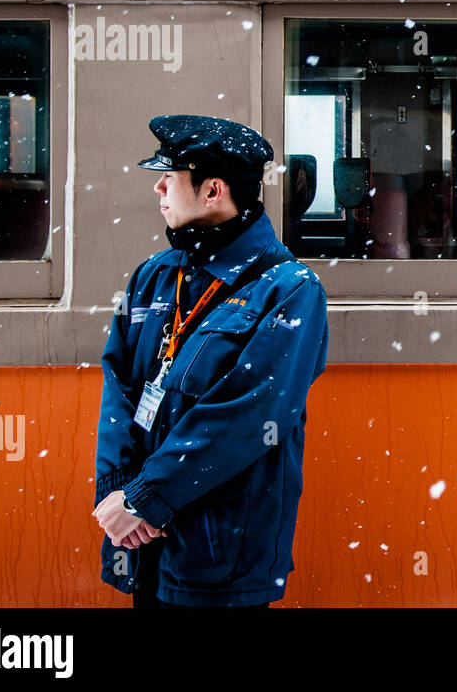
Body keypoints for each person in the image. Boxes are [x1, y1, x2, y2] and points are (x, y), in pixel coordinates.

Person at [93, 114, 329, 607]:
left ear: (212, 190)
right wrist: (119, 496)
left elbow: (249, 415)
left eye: (170, 176)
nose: (158, 188)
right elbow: (118, 385)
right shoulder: (153, 277)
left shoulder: (289, 290)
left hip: (222, 546)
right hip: (142, 541)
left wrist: (144, 499)